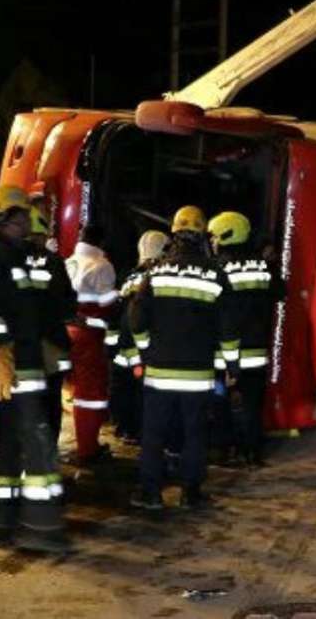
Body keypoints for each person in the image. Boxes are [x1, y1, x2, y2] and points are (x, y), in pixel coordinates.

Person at [0, 185, 68, 552]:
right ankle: (41, 525)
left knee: (10, 443)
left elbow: (33, 308)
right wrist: (0, 355)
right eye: (24, 213)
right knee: (35, 440)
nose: (30, 218)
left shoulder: (16, 255)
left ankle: (4, 523)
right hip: (12, 367)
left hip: (25, 362)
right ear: (8, 218)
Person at [128, 206, 240, 510]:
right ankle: (191, 493)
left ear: (174, 236)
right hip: (197, 376)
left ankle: (150, 492)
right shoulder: (215, 274)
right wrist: (232, 366)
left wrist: (146, 350)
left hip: (158, 373)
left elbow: (136, 319)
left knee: (153, 434)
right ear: (202, 237)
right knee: (195, 434)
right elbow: (228, 328)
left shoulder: (155, 271)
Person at [208, 211, 284, 468]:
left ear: (227, 235)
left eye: (215, 236)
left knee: (219, 403)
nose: (213, 241)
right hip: (257, 352)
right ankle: (251, 453)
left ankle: (222, 449)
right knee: (252, 405)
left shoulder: (218, 267)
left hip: (223, 354)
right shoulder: (262, 266)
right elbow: (280, 291)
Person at [63, 226, 117, 465]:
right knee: (91, 393)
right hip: (89, 335)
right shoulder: (101, 264)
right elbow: (106, 303)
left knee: (75, 389)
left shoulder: (69, 261)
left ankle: (85, 444)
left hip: (67, 332)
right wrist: (120, 294)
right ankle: (88, 448)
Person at [112, 230, 169, 443]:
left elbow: (117, 314)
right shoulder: (158, 275)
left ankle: (126, 428)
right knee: (143, 393)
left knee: (127, 389)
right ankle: (141, 431)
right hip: (146, 348)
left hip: (126, 349)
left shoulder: (130, 276)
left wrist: (113, 347)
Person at [27, 203, 74, 447]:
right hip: (49, 346)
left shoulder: (11, 259)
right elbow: (67, 303)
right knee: (49, 404)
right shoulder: (52, 262)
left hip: (21, 346)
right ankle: (45, 456)